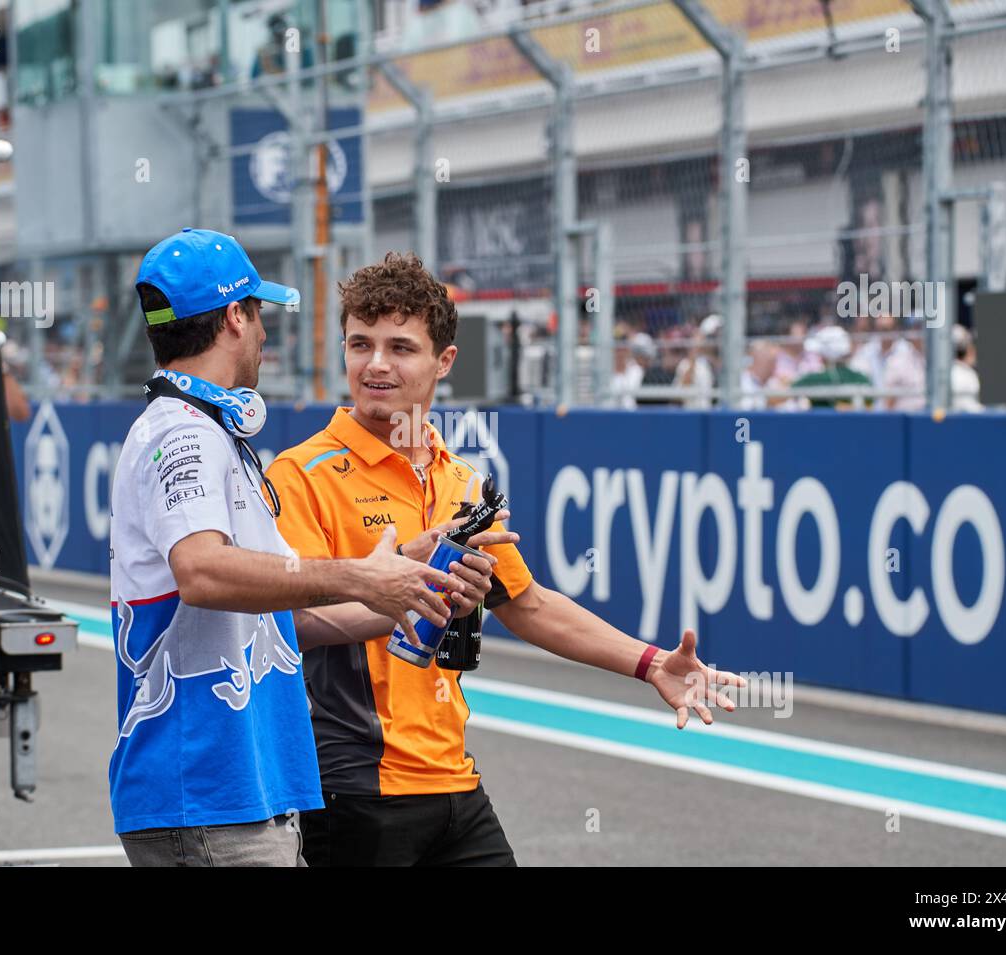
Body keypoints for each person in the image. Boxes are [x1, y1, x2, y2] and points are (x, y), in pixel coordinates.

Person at [266, 253, 747, 867]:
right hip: (352, 789)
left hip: (454, 785)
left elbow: (529, 605)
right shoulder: (301, 473)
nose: (376, 364)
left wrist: (650, 663)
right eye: (360, 343)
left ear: (444, 362)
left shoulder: (466, 483)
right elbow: (291, 623)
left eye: (401, 347)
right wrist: (408, 592)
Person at [108, 231, 490, 866]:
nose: (263, 334)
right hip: (209, 791)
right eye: (258, 315)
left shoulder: (201, 429)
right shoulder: (184, 433)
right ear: (236, 317)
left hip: (234, 789)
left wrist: (402, 582)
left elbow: (279, 619)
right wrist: (359, 577)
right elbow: (201, 570)